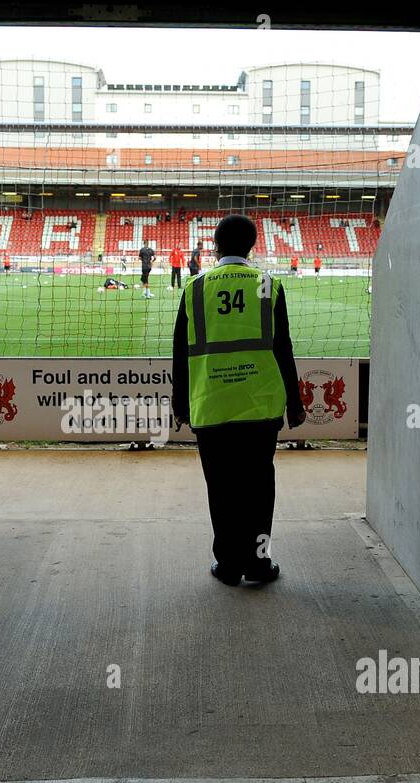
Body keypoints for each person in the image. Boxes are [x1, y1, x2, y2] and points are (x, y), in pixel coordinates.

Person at [172, 214, 305, 587]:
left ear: (215, 245)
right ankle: (258, 562)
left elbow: (180, 352)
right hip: (260, 405)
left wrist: (179, 403)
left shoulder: (196, 287)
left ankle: (228, 563)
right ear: (252, 246)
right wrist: (294, 403)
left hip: (211, 404)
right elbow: (284, 349)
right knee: (259, 488)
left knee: (222, 487)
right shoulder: (268, 285)